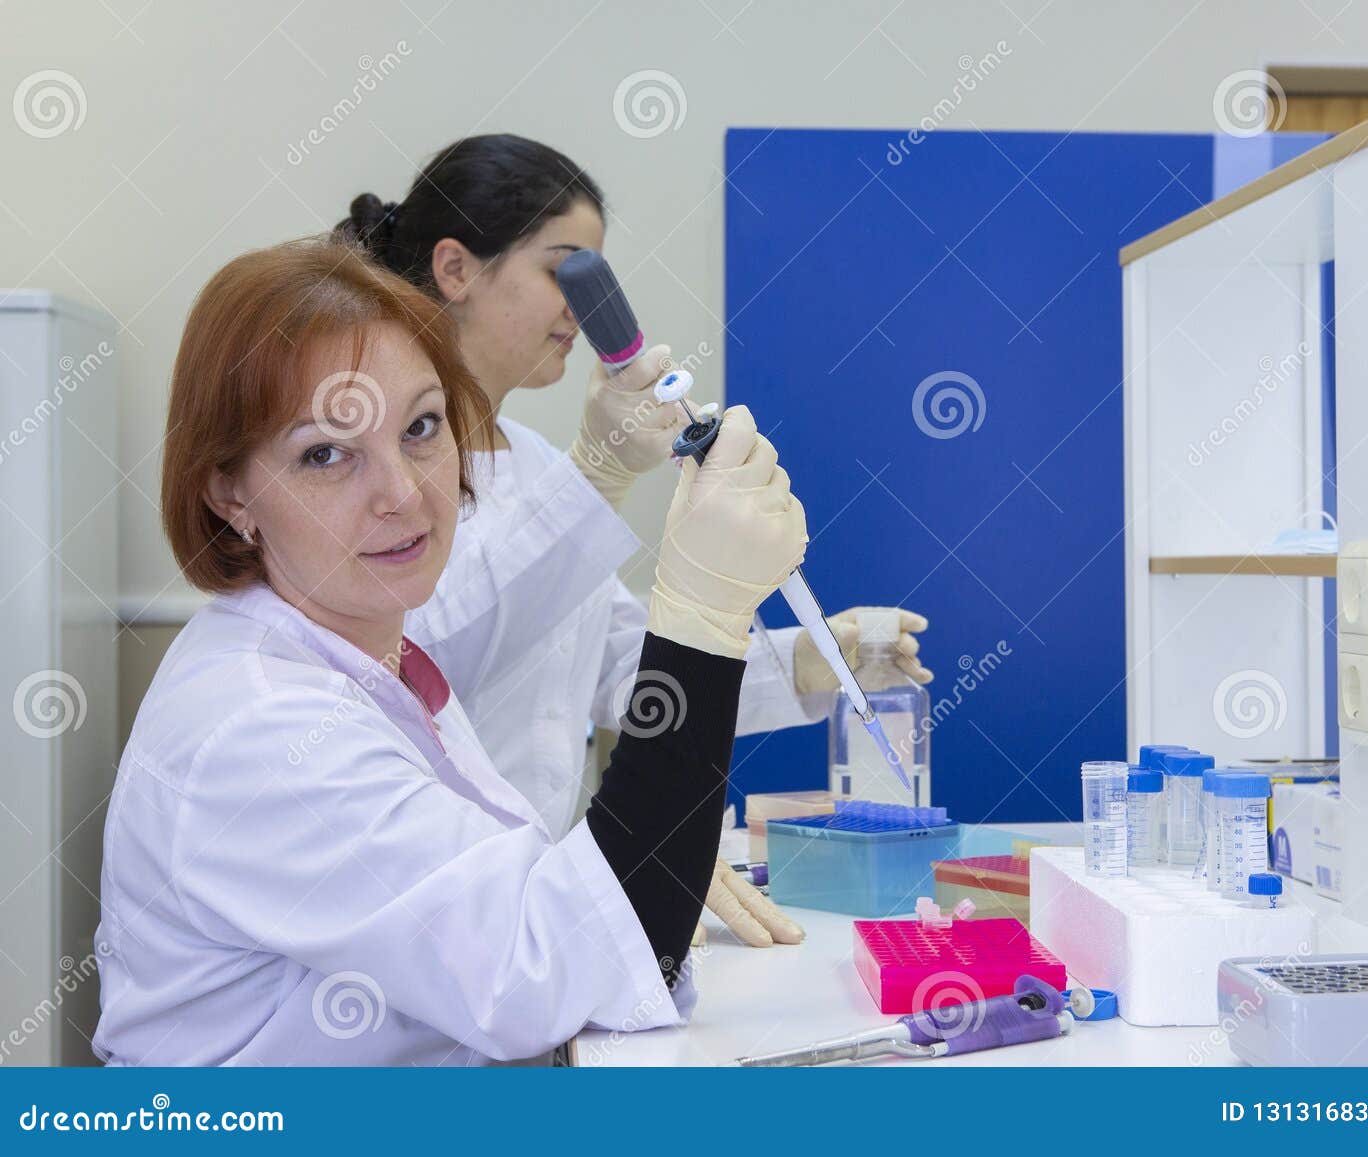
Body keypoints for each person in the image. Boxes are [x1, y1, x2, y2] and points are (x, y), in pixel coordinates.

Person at [92, 240, 806, 1065]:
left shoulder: (367, 651)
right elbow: (550, 967)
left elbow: (501, 906)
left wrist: (626, 865)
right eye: (325, 453)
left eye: (422, 427)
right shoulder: (259, 729)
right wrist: (701, 619)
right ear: (230, 494)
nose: (402, 493)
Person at [336, 134, 932, 946]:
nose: (580, 310)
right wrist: (600, 473)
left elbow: (619, 668)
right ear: (456, 268)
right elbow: (425, 658)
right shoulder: (382, 469)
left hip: (531, 898)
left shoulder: (536, 463)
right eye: (563, 270)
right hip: (432, 906)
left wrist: (800, 660)